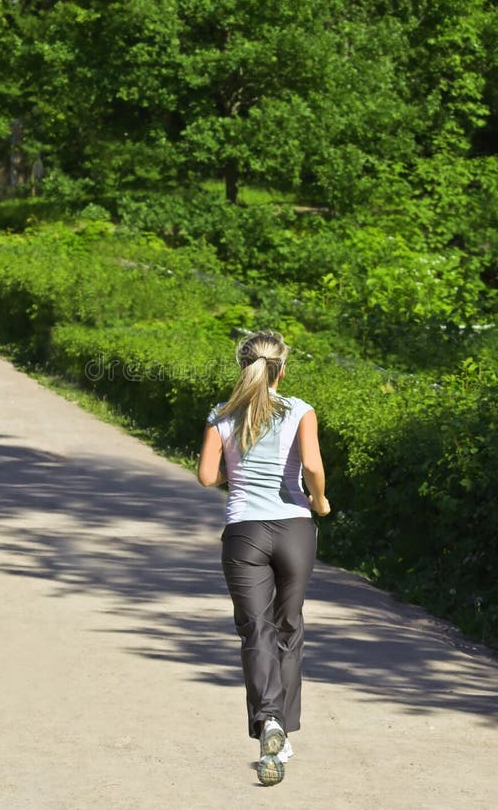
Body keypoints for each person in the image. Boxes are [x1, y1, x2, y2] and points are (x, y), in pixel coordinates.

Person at [198, 329, 330, 786]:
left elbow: (205, 476)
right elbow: (312, 465)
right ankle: (283, 732)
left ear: (243, 366)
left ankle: (268, 721)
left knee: (255, 629)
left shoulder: (222, 414)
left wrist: (234, 469)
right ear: (282, 368)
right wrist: (321, 499)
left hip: (244, 533)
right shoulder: (301, 410)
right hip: (294, 529)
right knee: (289, 627)